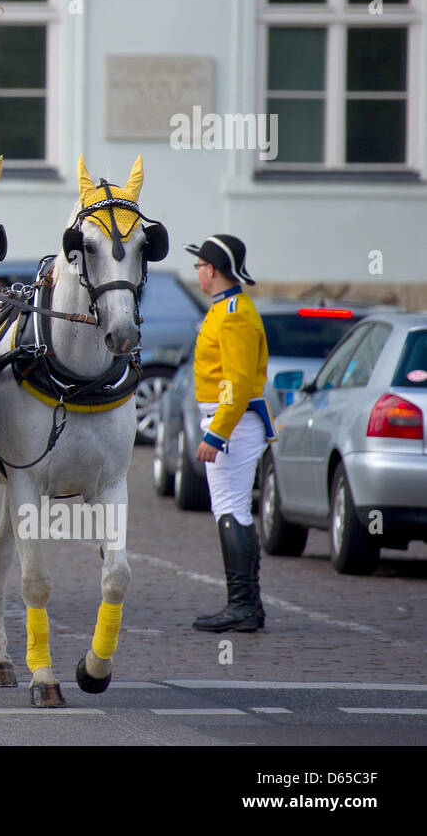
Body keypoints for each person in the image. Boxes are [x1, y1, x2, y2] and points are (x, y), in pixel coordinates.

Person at [185, 234, 275, 633]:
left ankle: (242, 605)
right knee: (233, 509)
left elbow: (236, 383)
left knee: (232, 510)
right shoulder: (227, 307)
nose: (198, 272)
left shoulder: (234, 312)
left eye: (200, 266)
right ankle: (246, 604)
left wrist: (217, 434)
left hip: (234, 423)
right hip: (232, 421)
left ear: (213, 270)